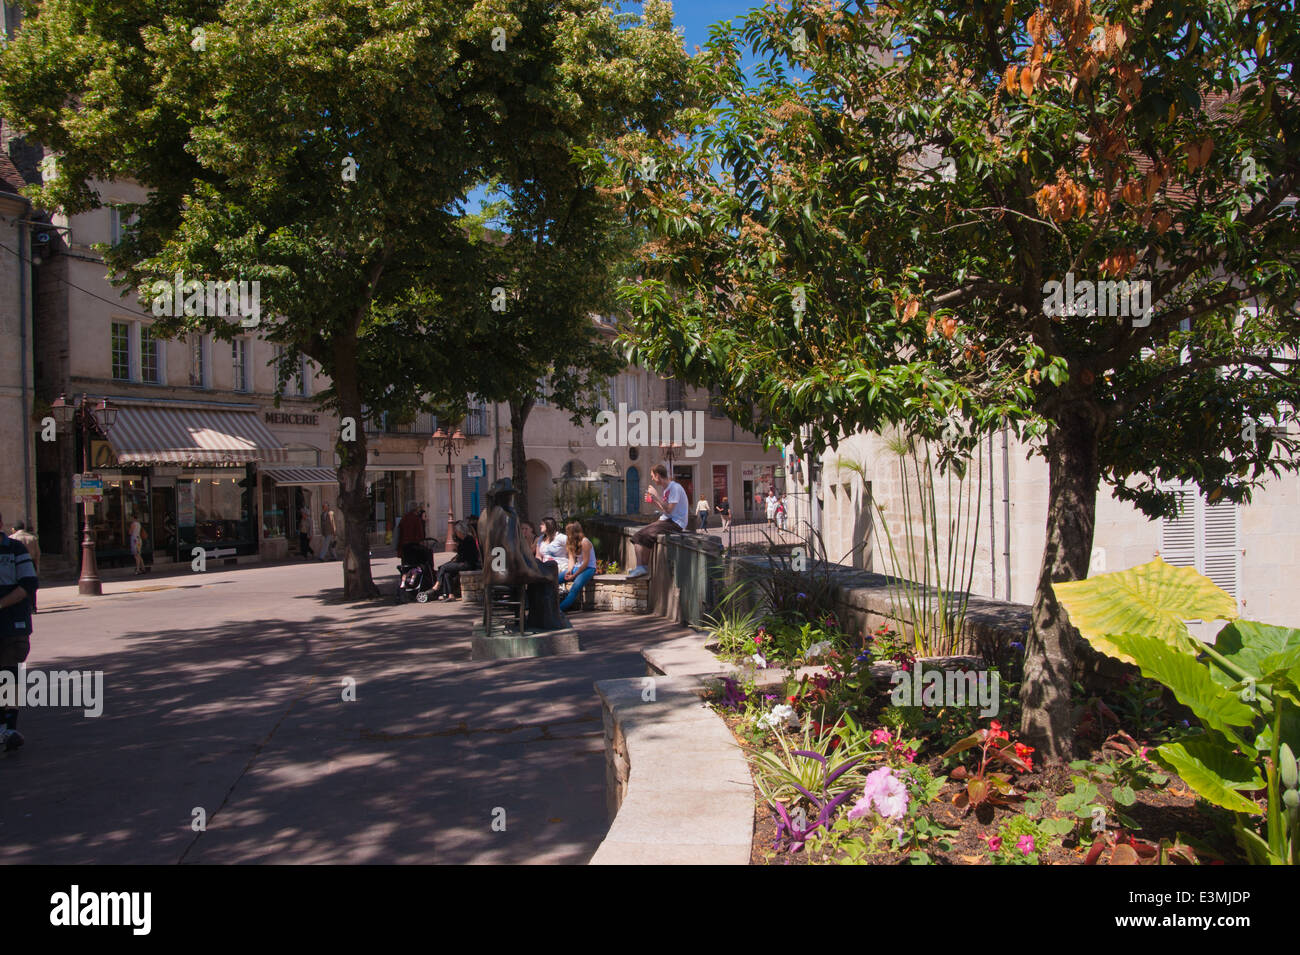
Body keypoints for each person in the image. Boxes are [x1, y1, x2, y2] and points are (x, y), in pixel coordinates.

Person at [0, 511, 38, 751]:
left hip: (11, 625)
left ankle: (10, 727)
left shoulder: (14, 550)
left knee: (9, 675)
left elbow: (28, 583)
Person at [628, 463, 688, 579]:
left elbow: (669, 510)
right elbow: (664, 509)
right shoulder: (667, 489)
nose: (652, 478)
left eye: (652, 476)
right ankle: (641, 567)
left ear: (658, 475)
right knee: (638, 536)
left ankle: (642, 567)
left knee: (641, 535)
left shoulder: (674, 488)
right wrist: (653, 501)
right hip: (668, 520)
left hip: (676, 523)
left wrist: (656, 496)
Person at [433, 521, 481, 600]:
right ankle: (449, 594)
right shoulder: (463, 541)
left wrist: (455, 561)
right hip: (463, 563)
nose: (456, 533)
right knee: (447, 573)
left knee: (444, 568)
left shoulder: (469, 540)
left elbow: (465, 556)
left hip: (467, 564)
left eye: (456, 531)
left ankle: (438, 583)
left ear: (460, 531)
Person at [559, 522, 597, 612]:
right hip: (578, 567)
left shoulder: (585, 542)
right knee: (556, 579)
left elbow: (585, 563)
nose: (567, 535)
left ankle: (559, 610)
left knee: (574, 588)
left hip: (589, 568)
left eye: (569, 533)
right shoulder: (571, 542)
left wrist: (574, 575)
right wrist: (569, 571)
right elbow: (571, 559)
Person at [396, 502, 427, 567]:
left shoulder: (404, 518)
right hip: (413, 544)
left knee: (405, 564)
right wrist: (422, 542)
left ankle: (404, 575)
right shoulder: (416, 518)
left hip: (404, 544)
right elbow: (420, 533)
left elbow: (399, 531)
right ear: (416, 509)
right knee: (414, 564)